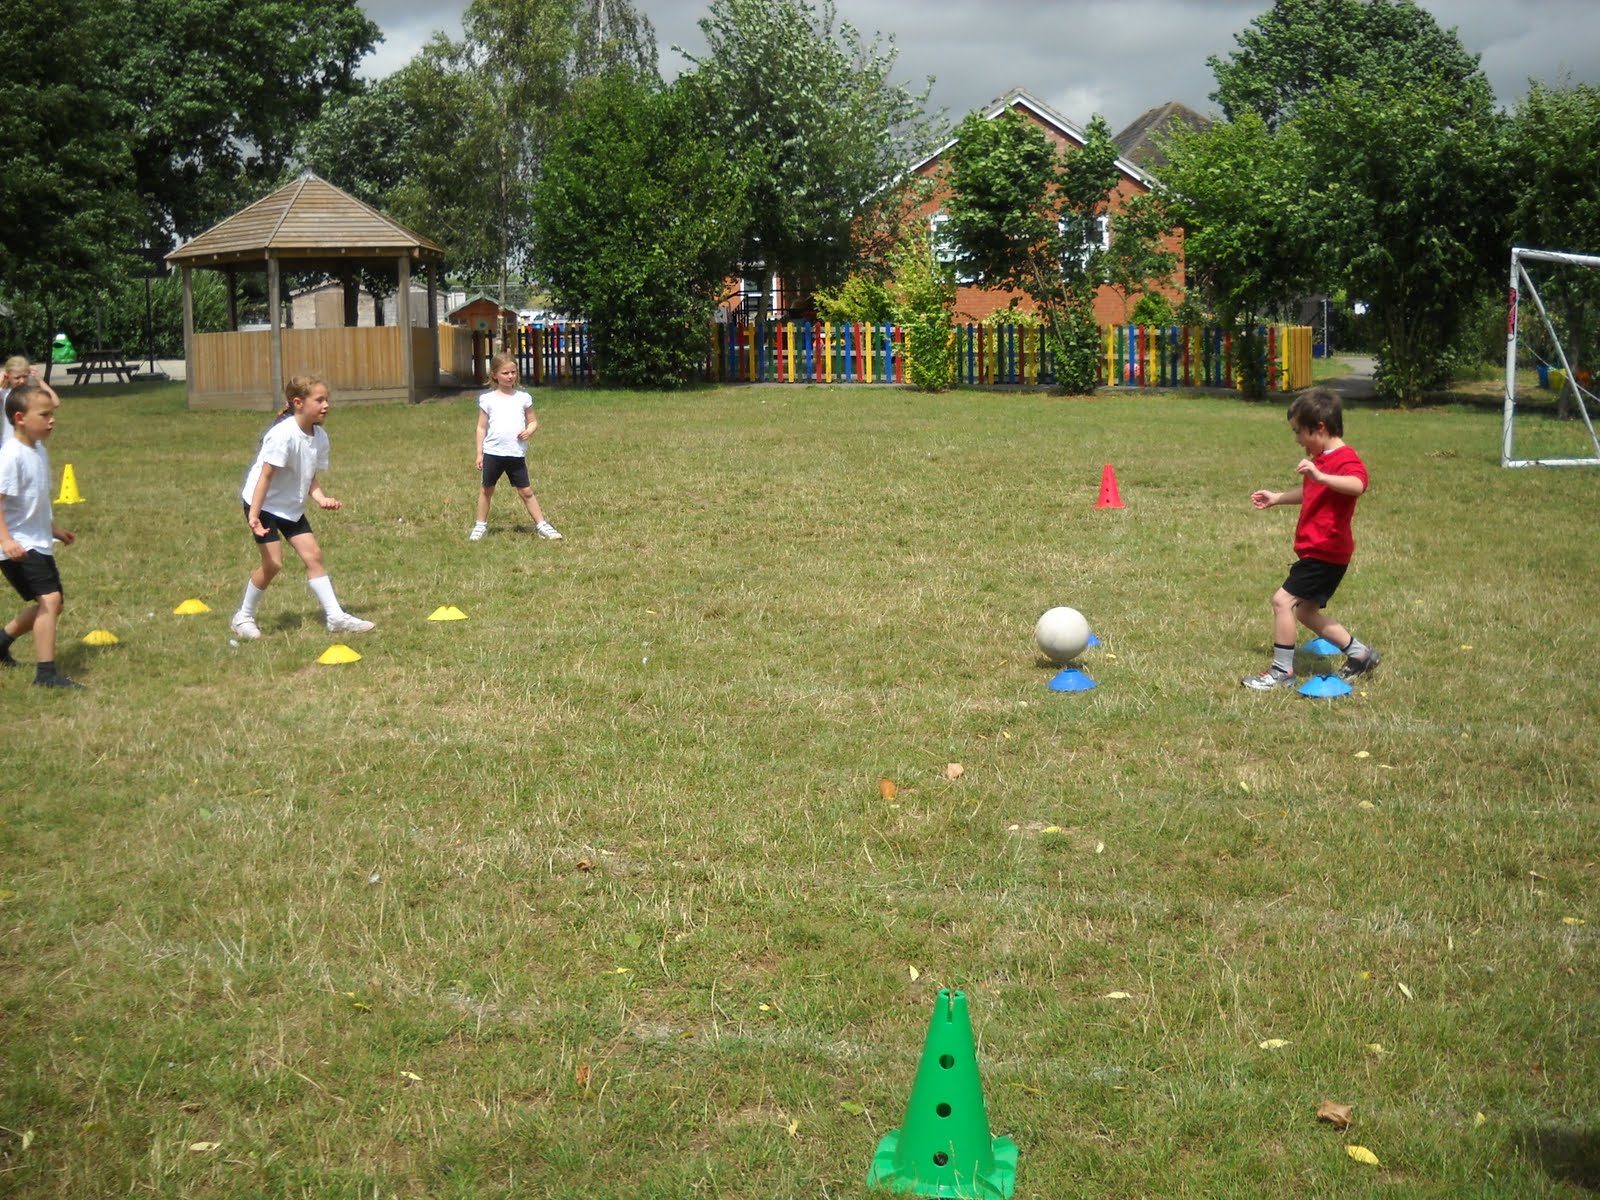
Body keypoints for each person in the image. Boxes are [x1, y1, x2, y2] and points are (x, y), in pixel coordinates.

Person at [1242, 386, 1381, 690]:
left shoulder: (1344, 458)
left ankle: (1282, 671)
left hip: (1325, 551)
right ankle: (1361, 654)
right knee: (1306, 612)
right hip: (1320, 552)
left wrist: (1321, 475)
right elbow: (1312, 492)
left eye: (1299, 432)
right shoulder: (1322, 458)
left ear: (1319, 427)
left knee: (1282, 601)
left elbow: (1357, 484)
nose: (1297, 440)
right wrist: (1277, 497)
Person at [229, 376, 374, 640]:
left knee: (313, 556)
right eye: (319, 400)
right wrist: (254, 516)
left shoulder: (320, 437)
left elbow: (308, 474)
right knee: (273, 563)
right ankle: (243, 617)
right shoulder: (282, 435)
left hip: (290, 506)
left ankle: (335, 617)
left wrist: (320, 498)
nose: (326, 405)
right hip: (263, 504)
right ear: (298, 403)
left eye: (326, 399)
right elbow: (265, 477)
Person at [0, 384, 81, 687]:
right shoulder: (11, 456)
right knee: (50, 600)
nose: (52, 420)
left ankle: (2, 641)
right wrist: (6, 541)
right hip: (17, 545)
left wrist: (53, 529)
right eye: (44, 415)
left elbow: (35, 500)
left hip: (37, 541)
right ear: (20, 418)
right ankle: (46, 674)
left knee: (53, 604)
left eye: (51, 414)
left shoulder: (38, 450)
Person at [470, 353, 562, 542]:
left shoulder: (523, 398)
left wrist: (529, 431)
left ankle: (542, 525)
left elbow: (533, 421)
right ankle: (480, 526)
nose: (510, 376)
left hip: (515, 453)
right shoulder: (488, 400)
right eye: (505, 373)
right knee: (486, 489)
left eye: (513, 372)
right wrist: (479, 453)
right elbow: (481, 427)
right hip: (493, 453)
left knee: (526, 491)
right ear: (494, 375)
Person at [1, 357, 60, 443]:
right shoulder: (4, 393)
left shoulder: (32, 394)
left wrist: (40, 381)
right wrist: (1, 381)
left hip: (32, 441)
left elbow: (55, 402)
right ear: (8, 377)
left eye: (25, 376)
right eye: (17, 378)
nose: (22, 381)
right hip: (10, 441)